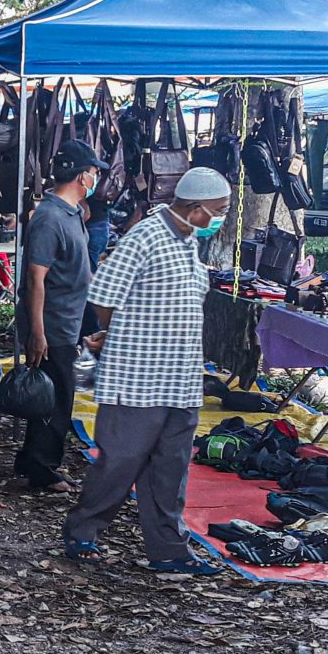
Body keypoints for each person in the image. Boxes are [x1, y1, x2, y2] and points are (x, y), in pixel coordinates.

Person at [62, 168, 230, 576]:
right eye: (219, 211)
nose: (221, 218)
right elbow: (103, 295)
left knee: (171, 471)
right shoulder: (145, 237)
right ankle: (82, 530)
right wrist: (115, 334)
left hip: (182, 381)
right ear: (194, 208)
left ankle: (168, 550)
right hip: (137, 379)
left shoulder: (190, 242)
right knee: (120, 462)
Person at [16, 140, 104, 493]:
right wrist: (38, 333)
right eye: (94, 172)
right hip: (52, 325)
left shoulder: (72, 214)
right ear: (83, 176)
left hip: (70, 318)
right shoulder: (50, 219)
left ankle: (33, 460)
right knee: (55, 398)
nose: (96, 178)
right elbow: (35, 279)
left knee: (55, 395)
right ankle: (41, 468)